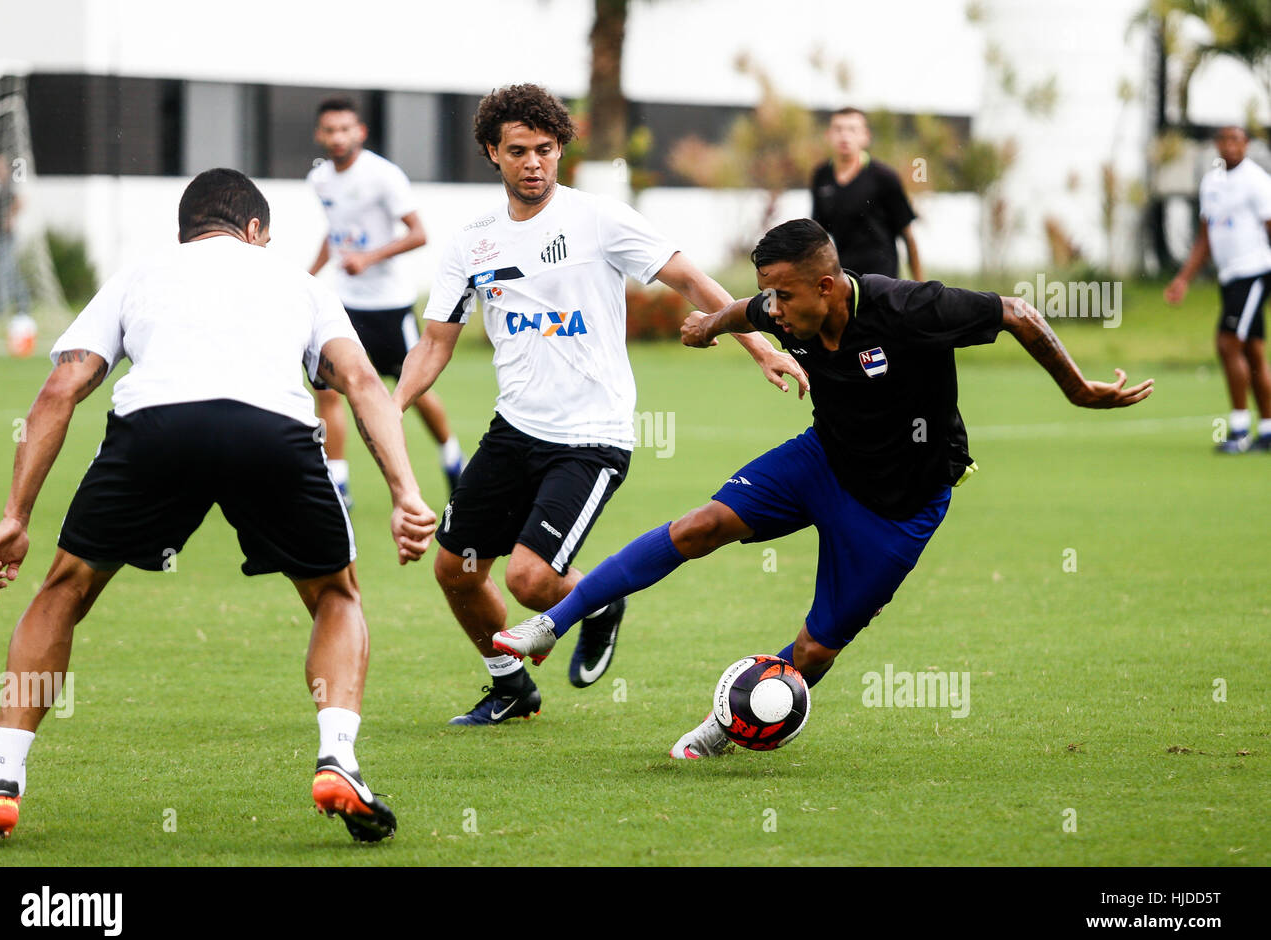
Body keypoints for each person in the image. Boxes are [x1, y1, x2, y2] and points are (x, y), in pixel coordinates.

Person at [494, 218, 1153, 757]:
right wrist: (709, 326)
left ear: (830, 287)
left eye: (784, 296)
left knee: (813, 651)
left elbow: (1016, 311)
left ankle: (729, 724)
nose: (774, 310)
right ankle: (555, 621)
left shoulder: (907, 308)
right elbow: (742, 311)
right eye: (769, 297)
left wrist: (1078, 389)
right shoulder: (785, 309)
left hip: (898, 509)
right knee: (700, 525)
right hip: (822, 462)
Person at [0, 168, 436, 843]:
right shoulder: (297, 281)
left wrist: (16, 515)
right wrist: (406, 493)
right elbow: (361, 381)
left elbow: (61, 388)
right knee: (337, 595)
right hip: (270, 432)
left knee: (62, 590)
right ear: (255, 232)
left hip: (157, 429)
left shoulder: (144, 273)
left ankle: (0, 780)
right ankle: (338, 759)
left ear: (185, 232)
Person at [394, 83, 807, 725]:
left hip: (591, 436)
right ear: (491, 154)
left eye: (546, 149)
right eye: (518, 151)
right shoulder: (471, 242)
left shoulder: (598, 219)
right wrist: (389, 407)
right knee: (456, 570)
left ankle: (599, 601)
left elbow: (693, 280)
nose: (534, 162)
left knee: (529, 581)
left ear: (561, 151)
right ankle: (511, 687)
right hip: (514, 430)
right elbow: (434, 343)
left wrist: (760, 348)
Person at [307, 97, 465, 504]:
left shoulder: (383, 175)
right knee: (327, 390)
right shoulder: (321, 179)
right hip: (344, 305)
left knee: (414, 390)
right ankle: (338, 484)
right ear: (319, 135)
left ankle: (451, 456)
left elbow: (419, 233)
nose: (337, 137)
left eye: (346, 129)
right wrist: (308, 277)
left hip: (389, 306)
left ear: (359, 132)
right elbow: (335, 231)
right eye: (330, 130)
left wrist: (369, 257)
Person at [1165, 125, 1271, 453]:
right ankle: (1267, 431)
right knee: (1252, 352)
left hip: (1254, 272)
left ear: (1246, 145)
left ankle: (1239, 430)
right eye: (1224, 139)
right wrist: (1183, 278)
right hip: (1228, 277)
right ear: (1216, 144)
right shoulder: (1211, 183)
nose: (1230, 145)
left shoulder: (1257, 181)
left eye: (1237, 140)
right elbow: (1205, 238)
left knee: (1227, 344)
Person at [810, 107, 923, 281]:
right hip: (843, 280)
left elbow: (908, 236)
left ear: (866, 137)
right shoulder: (821, 176)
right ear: (828, 135)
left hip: (882, 280)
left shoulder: (885, 177)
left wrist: (920, 288)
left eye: (852, 130)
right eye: (839, 129)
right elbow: (818, 235)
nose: (845, 136)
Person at [0, 153, 32, 319]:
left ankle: (4, 309)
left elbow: (21, 201)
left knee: (5, 272)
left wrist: (10, 217)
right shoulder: (1, 185)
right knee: (10, 272)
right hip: (2, 236)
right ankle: (22, 305)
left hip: (7, 237)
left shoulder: (8, 184)